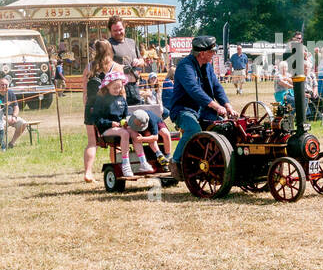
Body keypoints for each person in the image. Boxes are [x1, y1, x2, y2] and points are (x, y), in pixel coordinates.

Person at [167, 35, 233, 166]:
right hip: (183, 110)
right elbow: (194, 90)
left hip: (202, 109)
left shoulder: (207, 66)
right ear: (202, 53)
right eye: (212, 51)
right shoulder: (185, 66)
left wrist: (227, 105)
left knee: (225, 126)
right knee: (193, 129)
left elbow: (216, 86)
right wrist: (216, 106)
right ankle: (175, 162)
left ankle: (216, 159)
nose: (214, 54)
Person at [92, 69, 154, 176]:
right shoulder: (101, 100)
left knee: (134, 133)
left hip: (120, 127)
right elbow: (97, 120)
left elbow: (125, 116)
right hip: (106, 129)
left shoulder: (121, 99)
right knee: (124, 133)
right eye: (115, 88)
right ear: (107, 86)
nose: (118, 90)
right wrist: (111, 123)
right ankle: (126, 165)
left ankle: (143, 162)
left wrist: (126, 122)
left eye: (120, 87)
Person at [81, 40, 114, 180]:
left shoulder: (89, 67)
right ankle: (116, 164)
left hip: (91, 106)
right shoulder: (113, 66)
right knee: (114, 141)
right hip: (108, 107)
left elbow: (84, 92)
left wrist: (87, 107)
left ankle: (88, 172)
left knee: (91, 142)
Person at [0, 76, 28, 148]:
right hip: (0, 118)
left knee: (23, 123)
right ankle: (3, 144)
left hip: (12, 117)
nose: (4, 86)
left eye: (6, 85)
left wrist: (14, 117)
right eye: (2, 84)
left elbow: (16, 107)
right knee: (1, 126)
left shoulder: (11, 93)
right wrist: (6, 118)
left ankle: (12, 143)